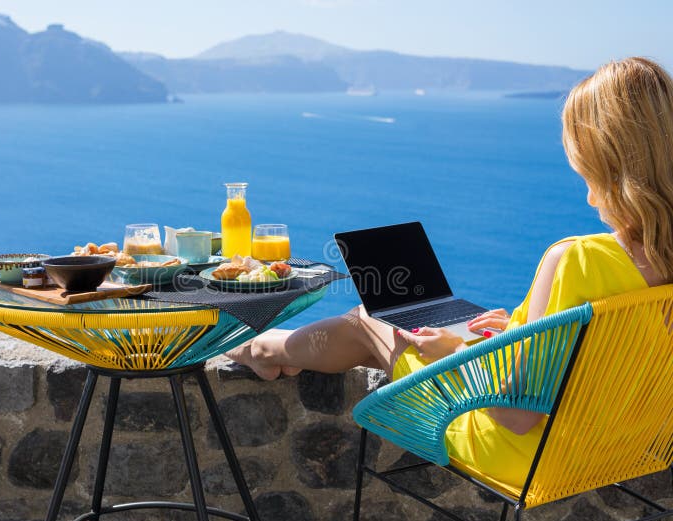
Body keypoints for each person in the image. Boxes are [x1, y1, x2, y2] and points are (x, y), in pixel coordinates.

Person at [227, 57, 673, 490]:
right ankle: (271, 353)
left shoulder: (577, 259)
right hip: (621, 448)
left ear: (602, 158)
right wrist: (521, 329)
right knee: (390, 330)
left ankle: (263, 350)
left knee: (372, 317)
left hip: (527, 455)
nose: (585, 186)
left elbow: (517, 417)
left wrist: (453, 353)